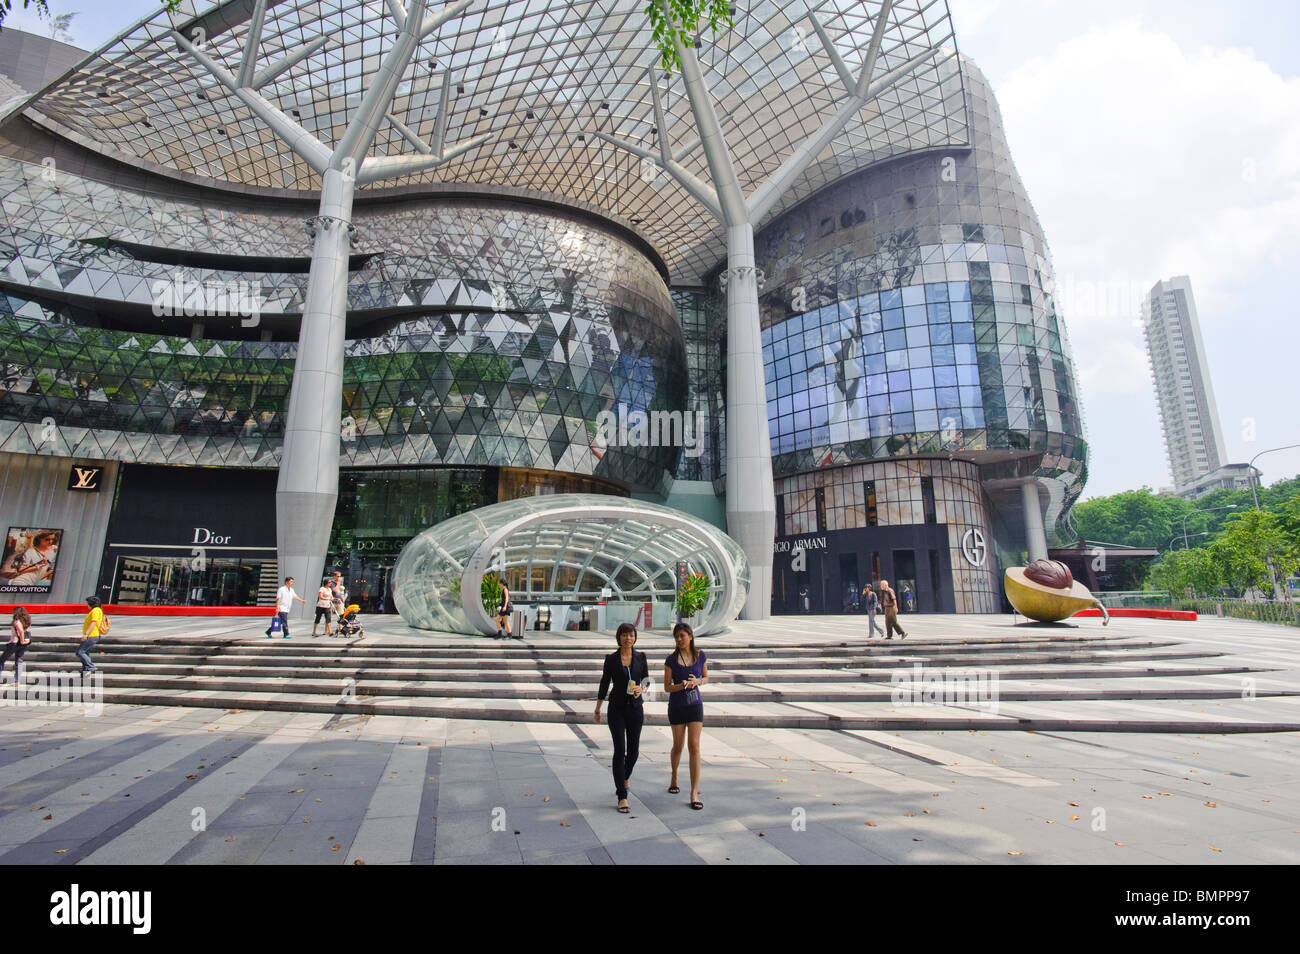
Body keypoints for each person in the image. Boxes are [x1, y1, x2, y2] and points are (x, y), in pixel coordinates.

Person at [594, 622, 648, 813]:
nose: (628, 638)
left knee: (634, 751)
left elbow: (646, 679)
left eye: (631, 635)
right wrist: (598, 707)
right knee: (620, 750)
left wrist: (642, 688)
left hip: (635, 708)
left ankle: (625, 777)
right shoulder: (611, 659)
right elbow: (604, 683)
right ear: (619, 637)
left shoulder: (641, 657)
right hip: (616, 709)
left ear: (635, 637)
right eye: (624, 635)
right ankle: (621, 795)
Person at [664, 622, 708, 810]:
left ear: (690, 636)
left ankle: (694, 791)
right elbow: (667, 687)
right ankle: (674, 775)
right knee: (678, 745)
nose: (680, 640)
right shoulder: (671, 660)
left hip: (695, 704)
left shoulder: (701, 655)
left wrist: (698, 681)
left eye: (682, 636)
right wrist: (681, 685)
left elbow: (706, 677)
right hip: (677, 705)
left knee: (695, 746)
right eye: (677, 637)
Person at [1, 606, 31, 685]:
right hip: (24, 644)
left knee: (1, 660)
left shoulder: (17, 621)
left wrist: (21, 640)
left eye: (13, 611)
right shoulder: (26, 621)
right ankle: (17, 681)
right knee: (19, 660)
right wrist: (23, 641)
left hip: (15, 643)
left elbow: (20, 631)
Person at [78, 596, 103, 674]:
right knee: (86, 652)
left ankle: (90, 666)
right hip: (93, 635)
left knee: (80, 652)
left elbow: (93, 622)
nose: (87, 605)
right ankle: (86, 669)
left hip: (92, 635)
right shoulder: (97, 610)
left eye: (88, 603)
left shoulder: (95, 611)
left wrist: (86, 634)